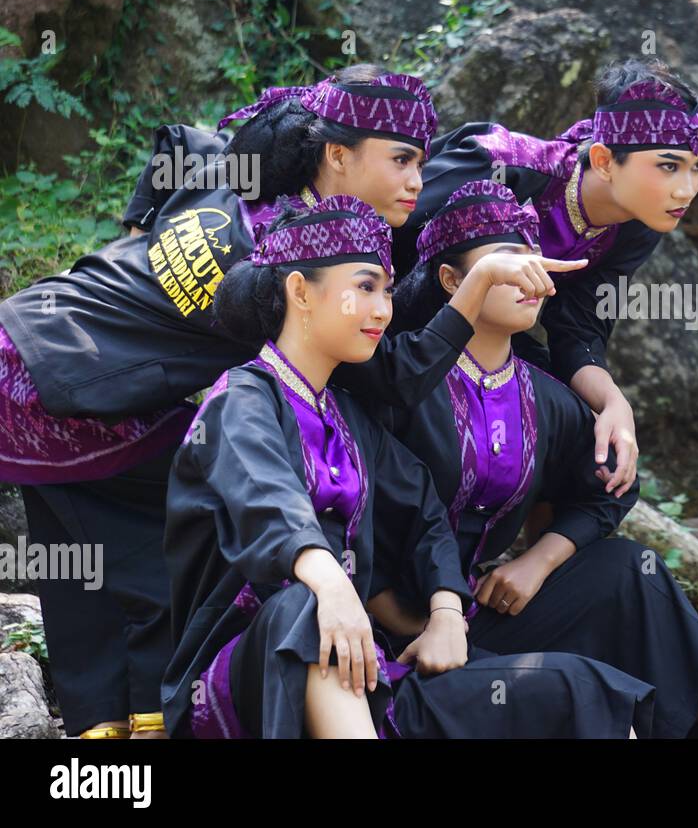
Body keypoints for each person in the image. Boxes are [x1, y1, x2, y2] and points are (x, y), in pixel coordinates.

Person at [1, 64, 584, 738]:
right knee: (189, 524)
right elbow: (390, 380)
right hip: (56, 386)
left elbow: (183, 145)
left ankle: (107, 725)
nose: (416, 182)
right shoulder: (297, 252)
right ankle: (165, 711)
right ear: (337, 154)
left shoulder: (254, 184)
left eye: (421, 162)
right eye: (400, 159)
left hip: (35, 342)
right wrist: (475, 288)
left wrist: (140, 233)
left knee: (93, 548)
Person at [163, 195, 655, 739]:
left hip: (364, 668)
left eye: (388, 291)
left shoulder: (351, 417)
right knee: (300, 604)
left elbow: (424, 512)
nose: (382, 310)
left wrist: (446, 612)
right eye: (365, 287)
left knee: (579, 690)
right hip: (245, 684)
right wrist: (331, 585)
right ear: (300, 291)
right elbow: (266, 502)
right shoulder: (240, 401)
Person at [370, 180, 698, 739]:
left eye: (533, 258)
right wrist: (422, 618)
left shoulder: (547, 398)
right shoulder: (398, 384)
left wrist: (536, 561)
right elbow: (345, 518)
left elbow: (607, 488)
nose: (529, 275)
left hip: (476, 616)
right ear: (452, 281)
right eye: (505, 263)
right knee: (577, 685)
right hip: (392, 636)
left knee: (628, 571)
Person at [395, 57, 698, 501]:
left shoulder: (637, 225)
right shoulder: (503, 163)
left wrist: (614, 402)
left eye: (696, 166)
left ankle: (533, 560)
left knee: (593, 443)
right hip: (389, 327)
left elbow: (577, 330)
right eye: (668, 166)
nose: (686, 189)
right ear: (603, 160)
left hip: (485, 346)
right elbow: (379, 226)